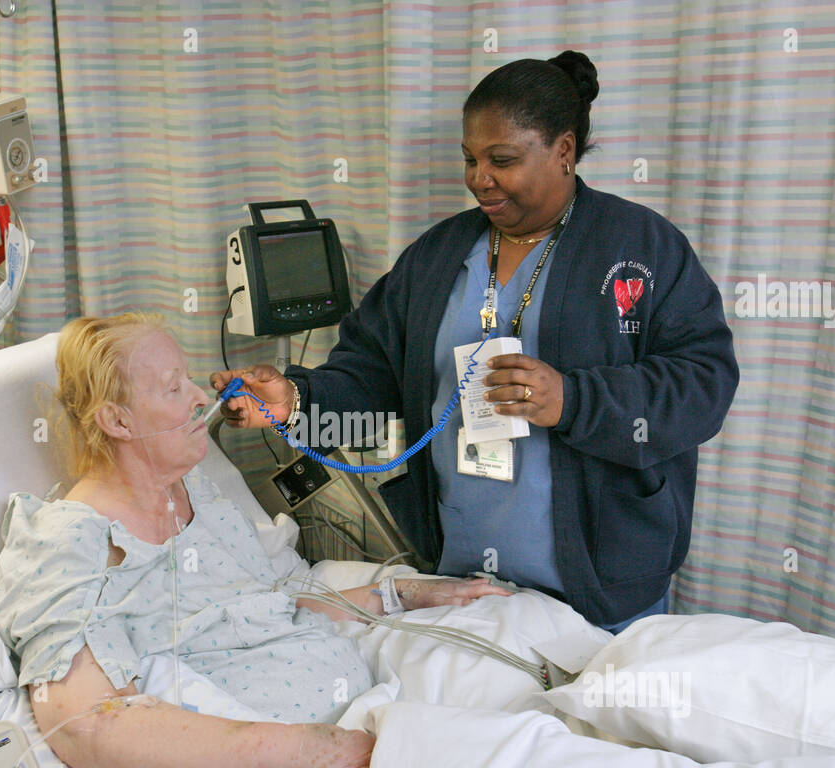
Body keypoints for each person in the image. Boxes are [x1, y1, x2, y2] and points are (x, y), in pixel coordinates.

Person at [213, 51, 739, 634]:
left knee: (594, 724)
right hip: (461, 581)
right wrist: (297, 398)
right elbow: (372, 373)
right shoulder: (438, 256)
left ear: (564, 151)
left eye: (502, 160)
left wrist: (572, 399)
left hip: (602, 588)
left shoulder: (640, 246)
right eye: (470, 159)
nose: (479, 179)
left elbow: (704, 384)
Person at [0, 313, 509, 768]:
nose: (198, 397)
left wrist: (397, 593)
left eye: (188, 379)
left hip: (359, 719)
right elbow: (90, 725)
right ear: (117, 422)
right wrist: (297, 754)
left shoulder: (194, 493)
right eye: (173, 388)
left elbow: (271, 604)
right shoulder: (65, 543)